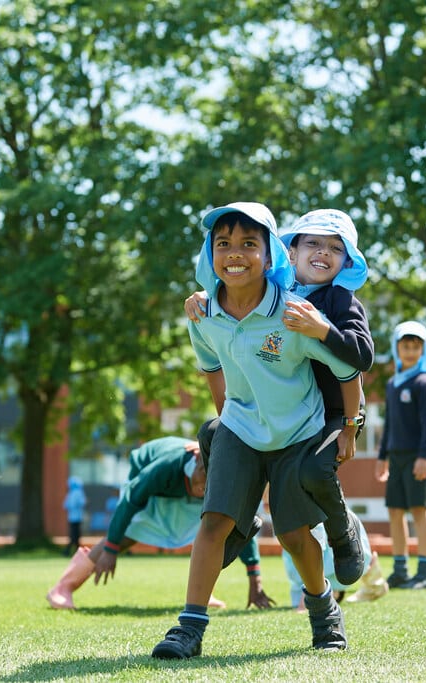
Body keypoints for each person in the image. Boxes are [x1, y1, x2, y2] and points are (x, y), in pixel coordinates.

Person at [152, 201, 362, 659]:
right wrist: (230, 420)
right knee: (214, 523)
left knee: (293, 537)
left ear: (271, 255)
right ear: (209, 254)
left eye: (249, 243)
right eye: (223, 243)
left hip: (298, 434)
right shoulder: (202, 314)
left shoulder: (293, 313)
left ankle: (324, 611)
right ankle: (189, 627)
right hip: (241, 430)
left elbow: (348, 371)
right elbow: (212, 368)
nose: (235, 252)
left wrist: (349, 425)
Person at [186, 208, 375, 587]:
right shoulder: (280, 290)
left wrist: (323, 330)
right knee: (213, 433)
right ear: (290, 251)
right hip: (286, 406)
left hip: (338, 408)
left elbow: (362, 357)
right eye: (313, 244)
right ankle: (240, 522)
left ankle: (343, 532)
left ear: (347, 261)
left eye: (335, 248)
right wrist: (203, 296)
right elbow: (238, 283)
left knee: (314, 471)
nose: (322, 252)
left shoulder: (340, 302)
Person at [46, 436, 274, 611]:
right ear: (195, 459)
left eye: (211, 478)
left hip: (180, 493)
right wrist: (111, 547)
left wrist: (256, 582)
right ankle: (63, 587)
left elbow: (241, 526)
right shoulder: (167, 467)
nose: (204, 483)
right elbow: (130, 500)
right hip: (149, 479)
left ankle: (203, 593)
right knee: (129, 535)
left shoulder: (218, 479)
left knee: (217, 529)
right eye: (203, 472)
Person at [375, 320, 426, 590]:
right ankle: (399, 569)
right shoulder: (392, 384)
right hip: (397, 457)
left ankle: (424, 572)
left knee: (419, 511)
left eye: (416, 347)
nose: (410, 351)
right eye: (405, 346)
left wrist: (425, 455)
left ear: (423, 350)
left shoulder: (424, 382)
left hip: (418, 457)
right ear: (396, 348)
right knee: (395, 512)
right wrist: (382, 456)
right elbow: (389, 422)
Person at [281, 515, 388, 611]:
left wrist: (308, 599)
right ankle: (330, 590)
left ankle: (371, 571)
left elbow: (315, 545)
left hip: (332, 554)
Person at [62, 475, 87, 557]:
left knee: (74, 535)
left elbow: (65, 506)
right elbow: (82, 503)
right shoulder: (79, 492)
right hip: (78, 517)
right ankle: (70, 551)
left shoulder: (70, 493)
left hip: (71, 517)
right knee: (75, 536)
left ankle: (73, 551)